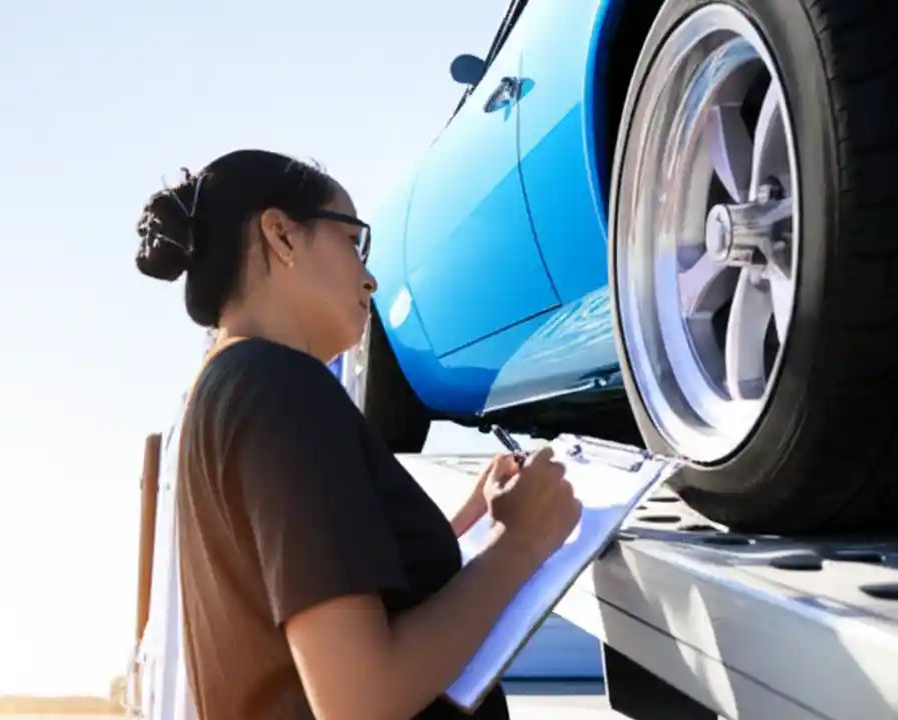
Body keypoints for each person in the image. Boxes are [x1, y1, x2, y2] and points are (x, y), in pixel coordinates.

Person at [134, 149, 582, 720]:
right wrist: (521, 545)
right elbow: (358, 702)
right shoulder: (280, 388)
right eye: (353, 241)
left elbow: (316, 587)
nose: (370, 277)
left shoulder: (223, 389)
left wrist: (471, 520)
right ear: (282, 236)